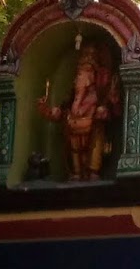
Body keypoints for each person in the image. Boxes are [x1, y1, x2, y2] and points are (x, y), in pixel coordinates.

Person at [36, 45, 117, 181]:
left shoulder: (97, 97)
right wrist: (44, 108)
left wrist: (103, 110)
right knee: (74, 157)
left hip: (92, 139)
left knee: (96, 139)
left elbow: (109, 111)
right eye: (77, 75)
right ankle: (76, 172)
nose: (75, 80)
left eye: (79, 75)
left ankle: (92, 172)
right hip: (74, 139)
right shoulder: (71, 99)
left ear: (90, 78)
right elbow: (58, 114)